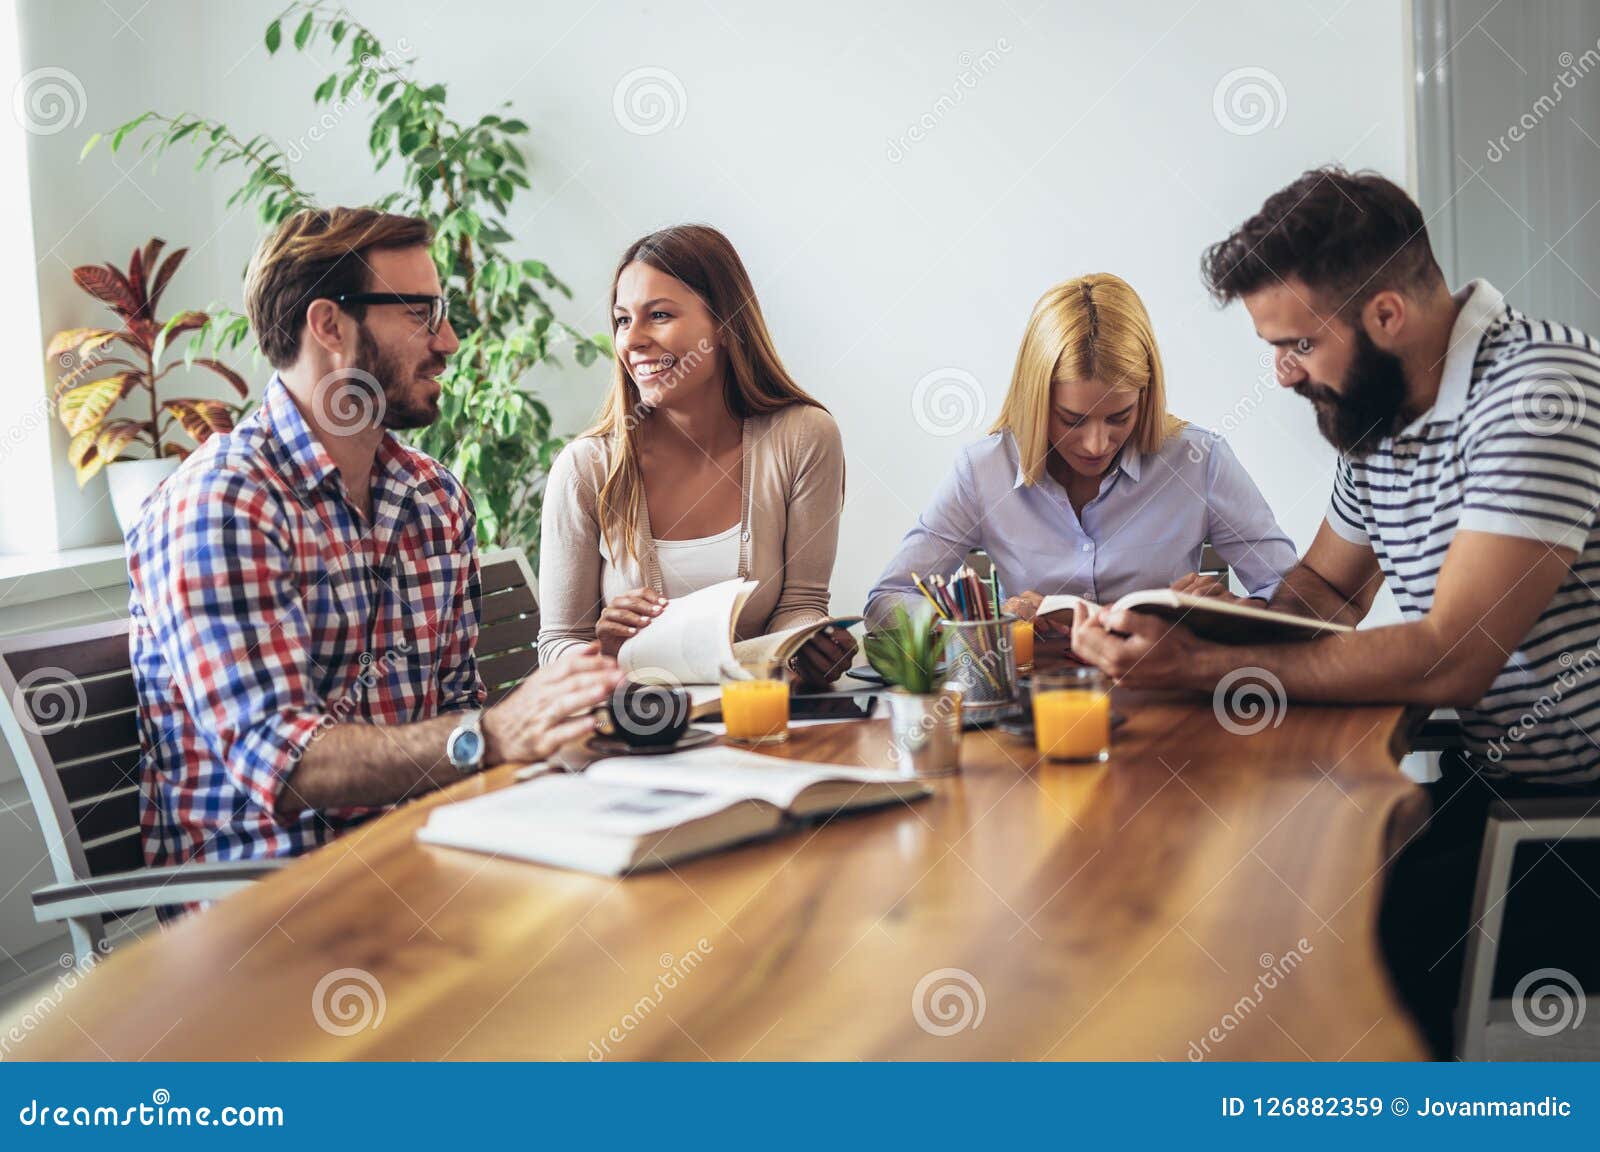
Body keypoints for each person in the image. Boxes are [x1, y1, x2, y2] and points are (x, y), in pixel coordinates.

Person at [1071, 167, 1600, 1056]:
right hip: (1499, 787)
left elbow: (1451, 658)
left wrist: (1202, 670)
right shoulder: (1383, 410)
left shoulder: (1539, 398)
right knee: (1264, 884)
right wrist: (1203, 623)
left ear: (1386, 315)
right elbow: (1326, 591)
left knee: (1306, 945)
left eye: (1299, 344)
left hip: (1569, 818)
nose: (1282, 374)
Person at [128, 207, 621, 875]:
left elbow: (455, 711)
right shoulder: (223, 503)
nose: (448, 341)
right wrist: (497, 735)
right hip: (269, 904)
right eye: (422, 313)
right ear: (330, 325)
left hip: (428, 853)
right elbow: (284, 760)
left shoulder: (432, 497)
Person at [865, 273, 1296, 633]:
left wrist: (1232, 611)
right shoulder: (984, 470)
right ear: (1036, 400)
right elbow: (888, 601)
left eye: (1119, 417)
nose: (1096, 444)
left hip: (1165, 695)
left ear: (1145, 399)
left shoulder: (1200, 460)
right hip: (1032, 706)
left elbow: (1299, 600)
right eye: (1072, 419)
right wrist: (994, 622)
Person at [539, 224, 856, 685]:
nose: (632, 340)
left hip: (760, 720)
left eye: (660, 315)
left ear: (726, 326)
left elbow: (801, 605)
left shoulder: (803, 437)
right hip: (640, 734)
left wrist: (807, 646)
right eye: (623, 320)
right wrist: (603, 650)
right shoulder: (586, 468)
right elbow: (556, 644)